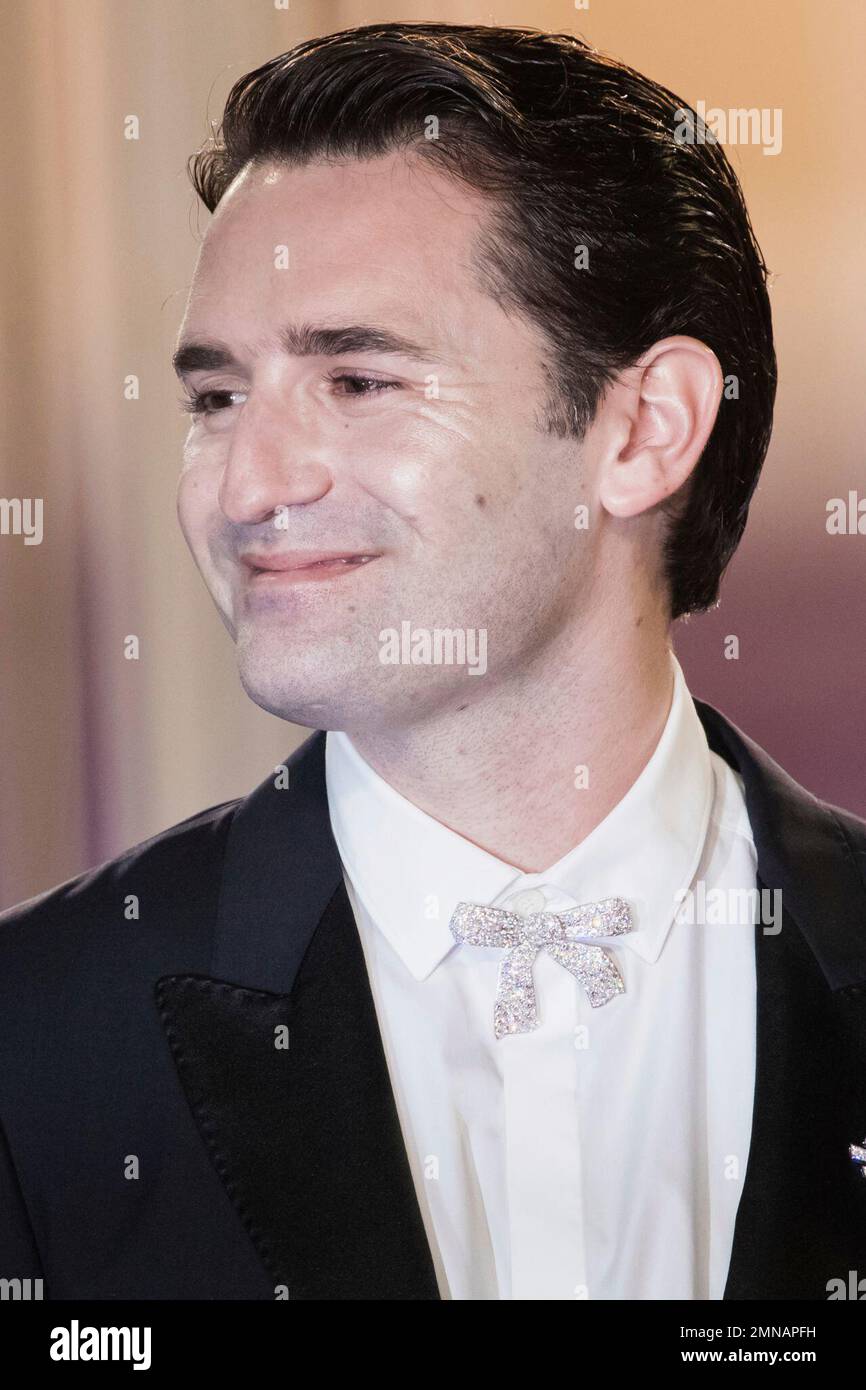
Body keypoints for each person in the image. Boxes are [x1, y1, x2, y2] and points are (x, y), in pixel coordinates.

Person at [2, 21, 864, 1302]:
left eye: (356, 380)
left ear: (643, 428)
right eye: (216, 398)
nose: (248, 485)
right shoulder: (34, 1040)